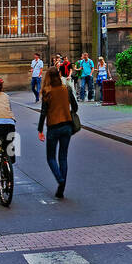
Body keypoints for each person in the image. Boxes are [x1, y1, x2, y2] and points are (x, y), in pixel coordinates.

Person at [38, 65, 77, 198]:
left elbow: (43, 112)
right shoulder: (66, 89)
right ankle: (61, 188)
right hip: (67, 126)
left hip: (53, 127)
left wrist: (40, 130)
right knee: (63, 157)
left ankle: (59, 179)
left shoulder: (47, 91)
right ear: (59, 75)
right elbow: (75, 107)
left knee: (50, 157)